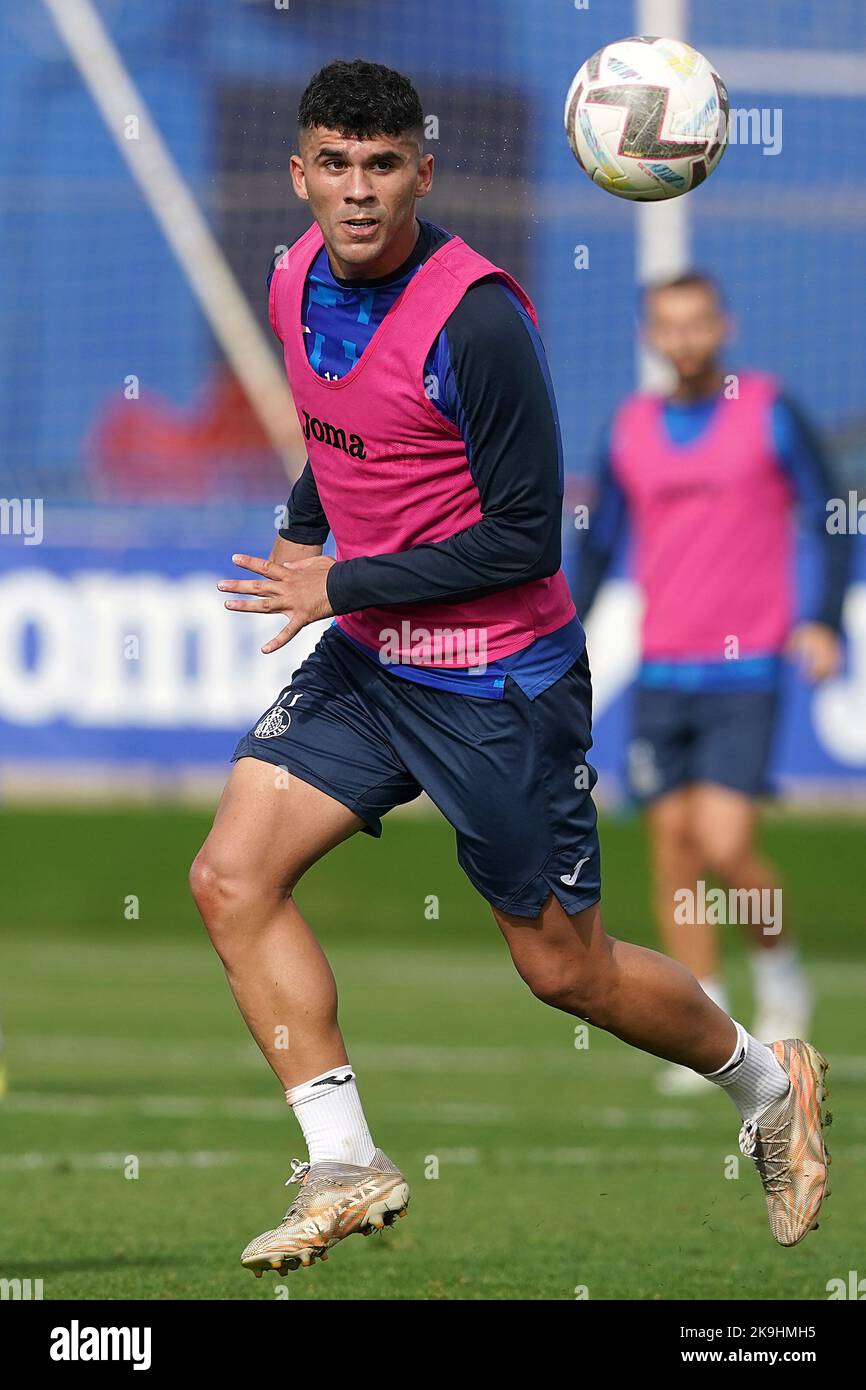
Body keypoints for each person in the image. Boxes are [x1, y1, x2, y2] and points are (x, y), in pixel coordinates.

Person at [189, 60, 832, 1278]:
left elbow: (521, 534)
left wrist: (340, 581)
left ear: (422, 172)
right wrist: (306, 525)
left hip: (497, 684)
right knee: (230, 874)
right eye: (335, 165)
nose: (359, 191)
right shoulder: (286, 278)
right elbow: (345, 426)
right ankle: (344, 1159)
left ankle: (765, 1085)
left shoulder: (474, 316)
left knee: (562, 971)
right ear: (299, 176)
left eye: (383, 166)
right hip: (373, 664)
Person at [573, 272, 851, 1095]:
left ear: (721, 326)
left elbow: (831, 509)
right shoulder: (629, 431)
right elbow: (598, 547)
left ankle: (784, 977)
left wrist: (826, 618)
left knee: (727, 843)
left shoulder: (768, 409)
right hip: (664, 669)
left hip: (749, 665)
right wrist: (562, 632)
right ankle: (712, 1027)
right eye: (669, 324)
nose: (686, 338)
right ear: (650, 335)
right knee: (673, 851)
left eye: (699, 322)